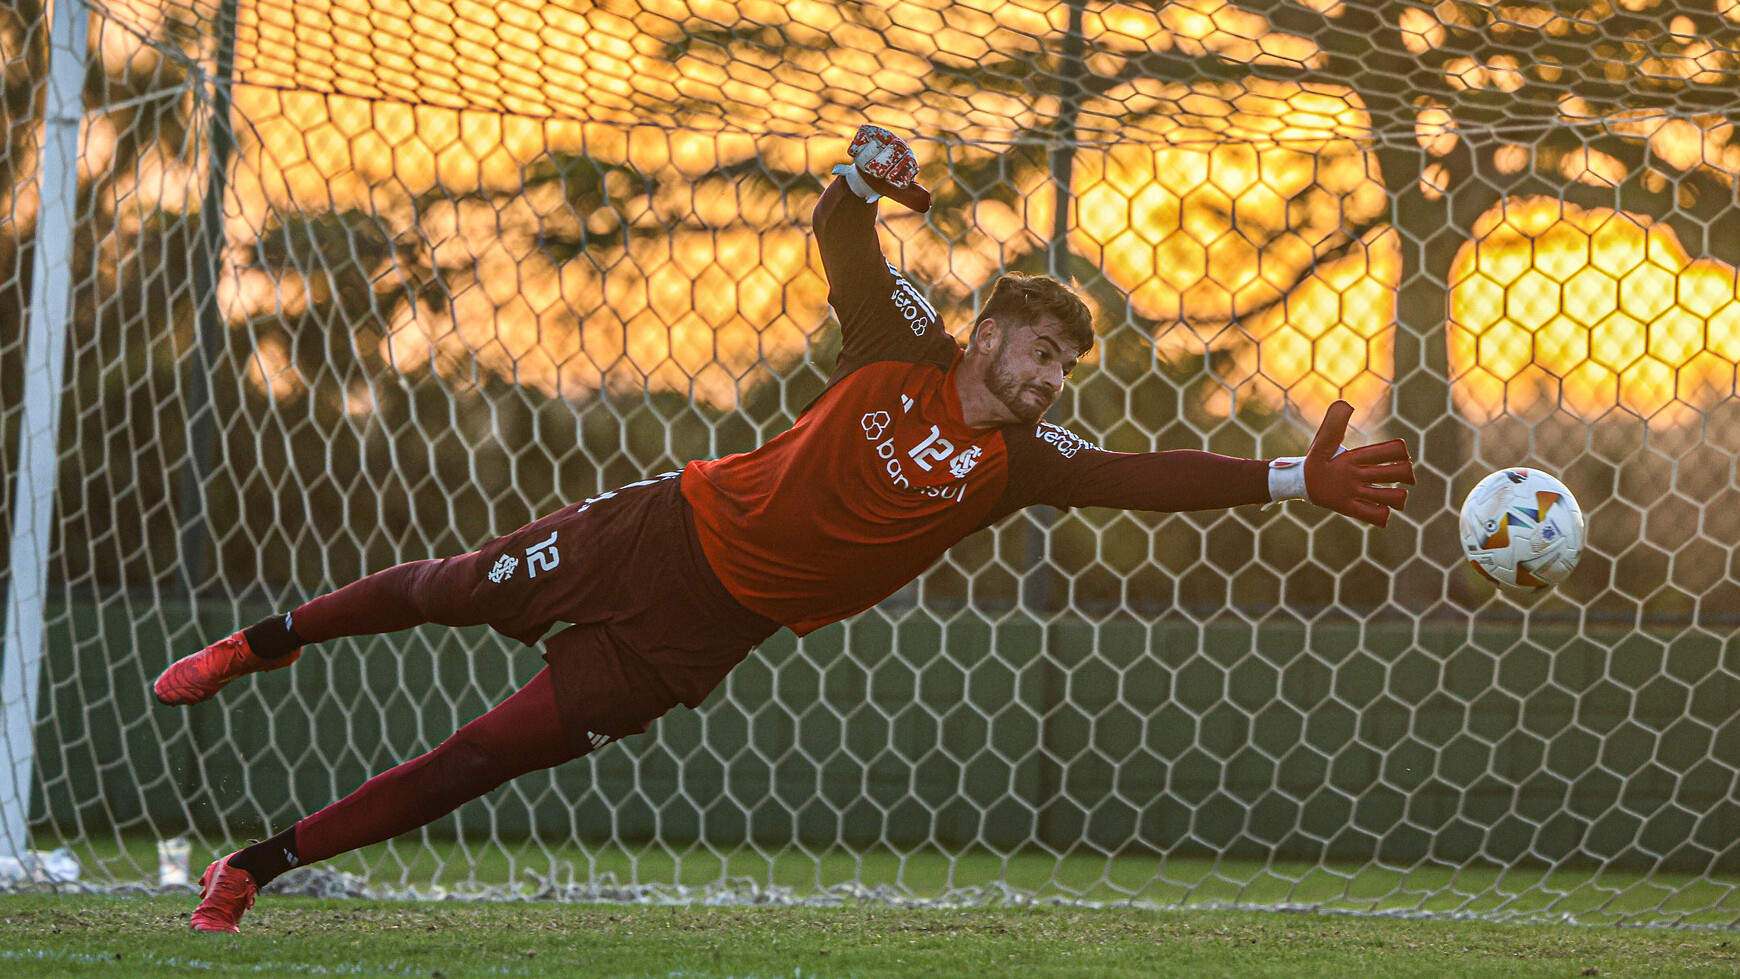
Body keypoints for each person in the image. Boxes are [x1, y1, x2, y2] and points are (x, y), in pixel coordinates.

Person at [156, 125, 1414, 932]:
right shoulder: (899, 345)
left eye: (1065, 371)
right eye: (1040, 354)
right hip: (657, 528)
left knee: (484, 754)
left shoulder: (1017, 464)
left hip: (700, 634)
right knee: (443, 588)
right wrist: (860, 176)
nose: (1049, 380)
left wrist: (1293, 482)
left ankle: (254, 867)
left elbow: (1146, 476)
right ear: (988, 336)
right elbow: (843, 236)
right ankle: (253, 645)